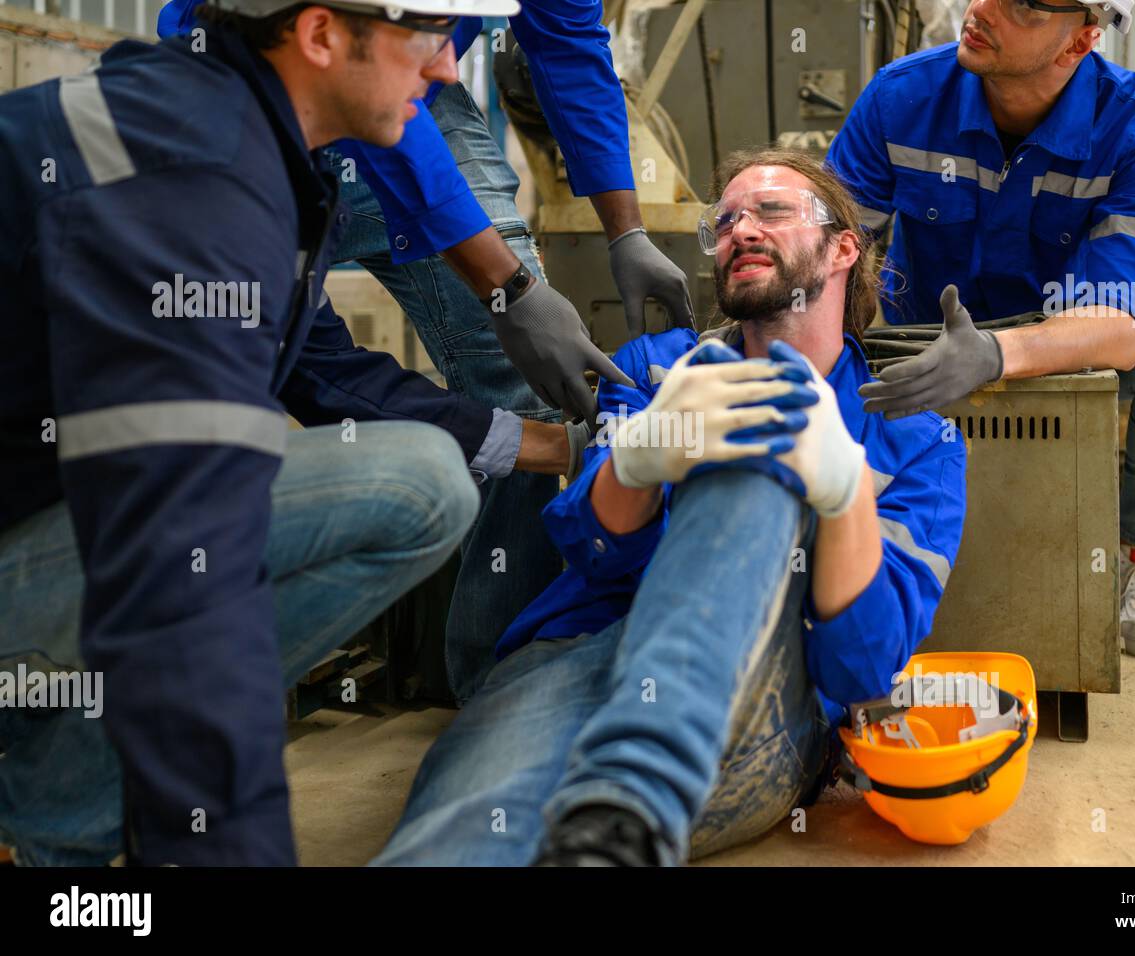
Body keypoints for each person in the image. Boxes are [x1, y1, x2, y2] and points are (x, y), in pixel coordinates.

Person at [0, 0, 578, 866]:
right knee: (406, 492)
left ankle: (51, 832)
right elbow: (183, 552)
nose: (447, 68)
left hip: (33, 514)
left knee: (412, 481)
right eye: (427, 37)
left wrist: (571, 449)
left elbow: (332, 379)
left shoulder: (246, 148)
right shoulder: (196, 180)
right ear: (318, 35)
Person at [372, 148, 967, 866]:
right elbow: (591, 551)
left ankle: (637, 780)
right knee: (479, 822)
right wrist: (644, 454)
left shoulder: (915, 436)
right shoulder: (659, 367)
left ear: (844, 247)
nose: (741, 230)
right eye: (726, 221)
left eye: (771, 212)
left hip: (764, 691)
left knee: (755, 423)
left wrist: (843, 499)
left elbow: (861, 670)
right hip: (579, 658)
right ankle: (619, 814)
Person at [158, 0, 696, 698]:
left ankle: (497, 682)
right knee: (405, 477)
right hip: (327, 65)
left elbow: (564, 44)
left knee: (523, 380)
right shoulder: (203, 173)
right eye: (442, 36)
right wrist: (506, 286)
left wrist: (625, 229)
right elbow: (309, 371)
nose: (458, 62)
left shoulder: (410, 75)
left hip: (377, 70)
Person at [830, 0, 1135, 660]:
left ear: (1079, 41)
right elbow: (833, 256)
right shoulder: (901, 98)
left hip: (1063, 340)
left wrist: (998, 352)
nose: (980, 7)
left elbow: (1123, 317)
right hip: (921, 339)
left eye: (1021, 3)